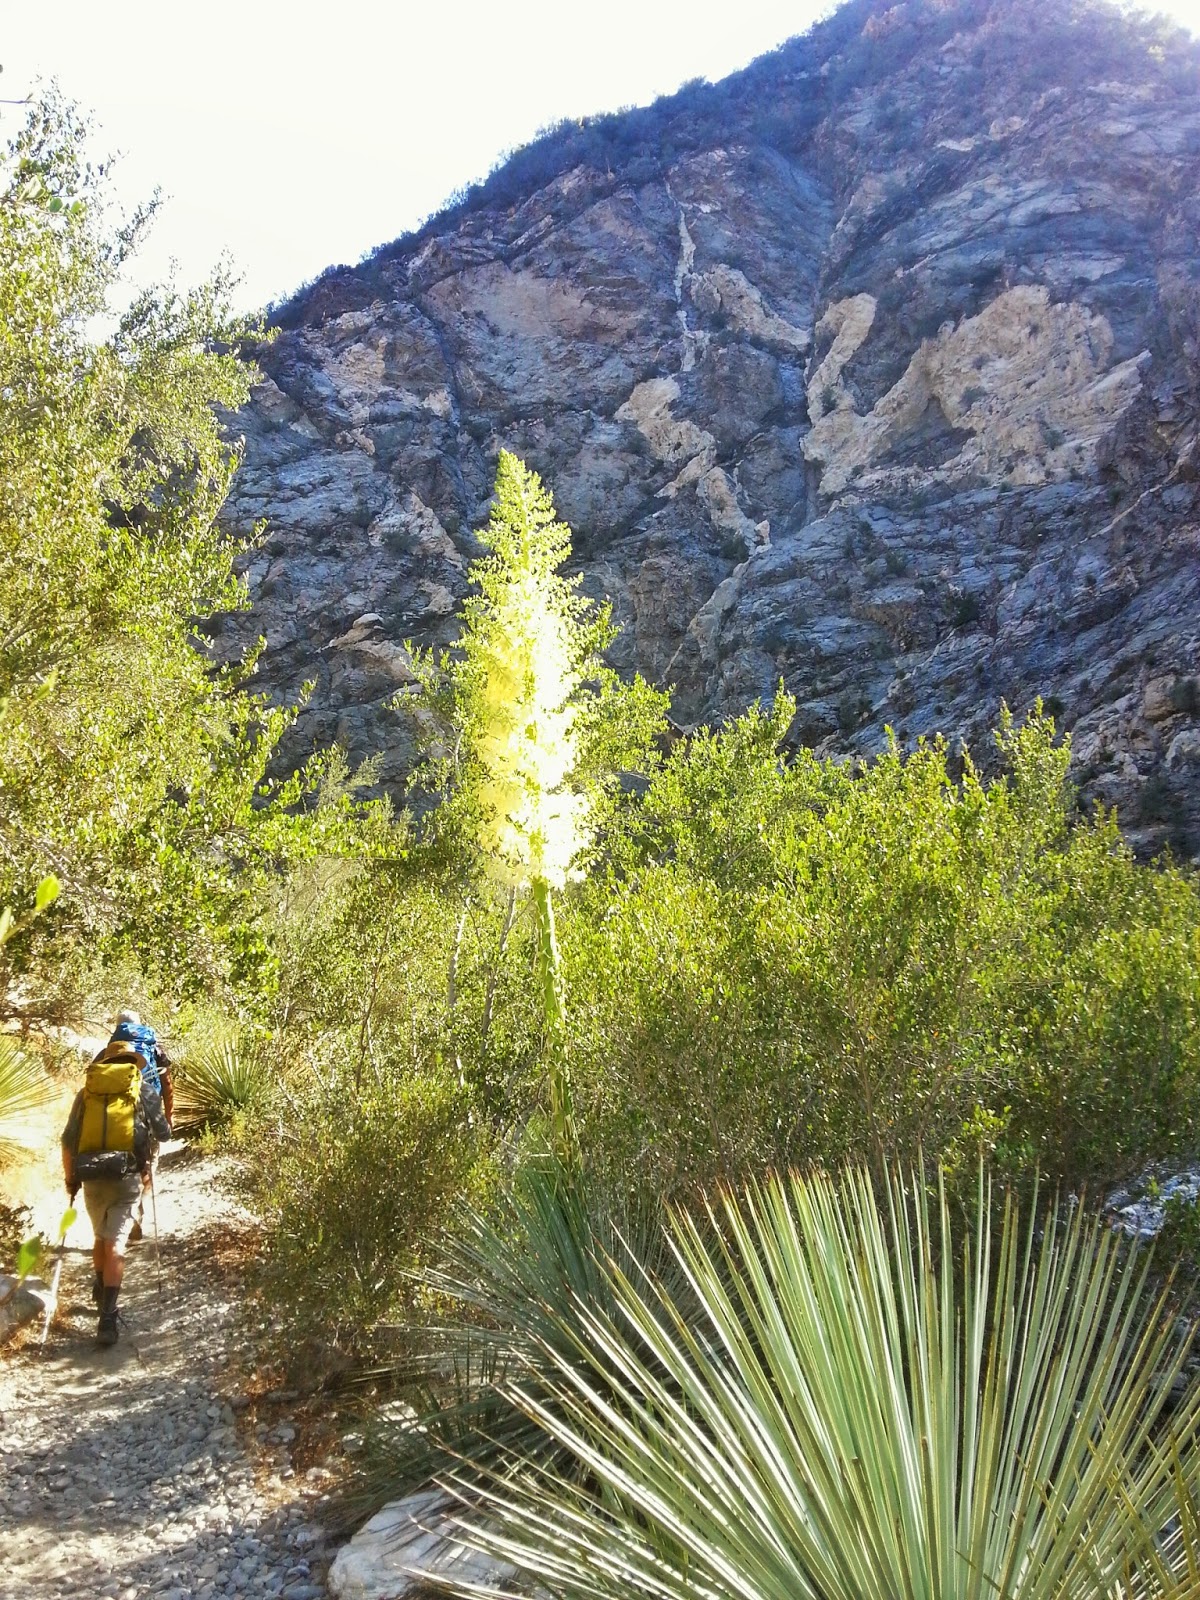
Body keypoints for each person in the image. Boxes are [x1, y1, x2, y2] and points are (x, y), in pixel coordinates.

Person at [61, 1019, 171, 1346]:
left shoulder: (87, 1094)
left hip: (92, 1176)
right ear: (135, 1063)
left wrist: (70, 1180)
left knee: (100, 1236)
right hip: (126, 1177)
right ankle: (108, 1319)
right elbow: (163, 1132)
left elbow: (68, 1141)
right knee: (116, 1243)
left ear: (105, 1063)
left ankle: (100, 1285)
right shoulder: (145, 1090)